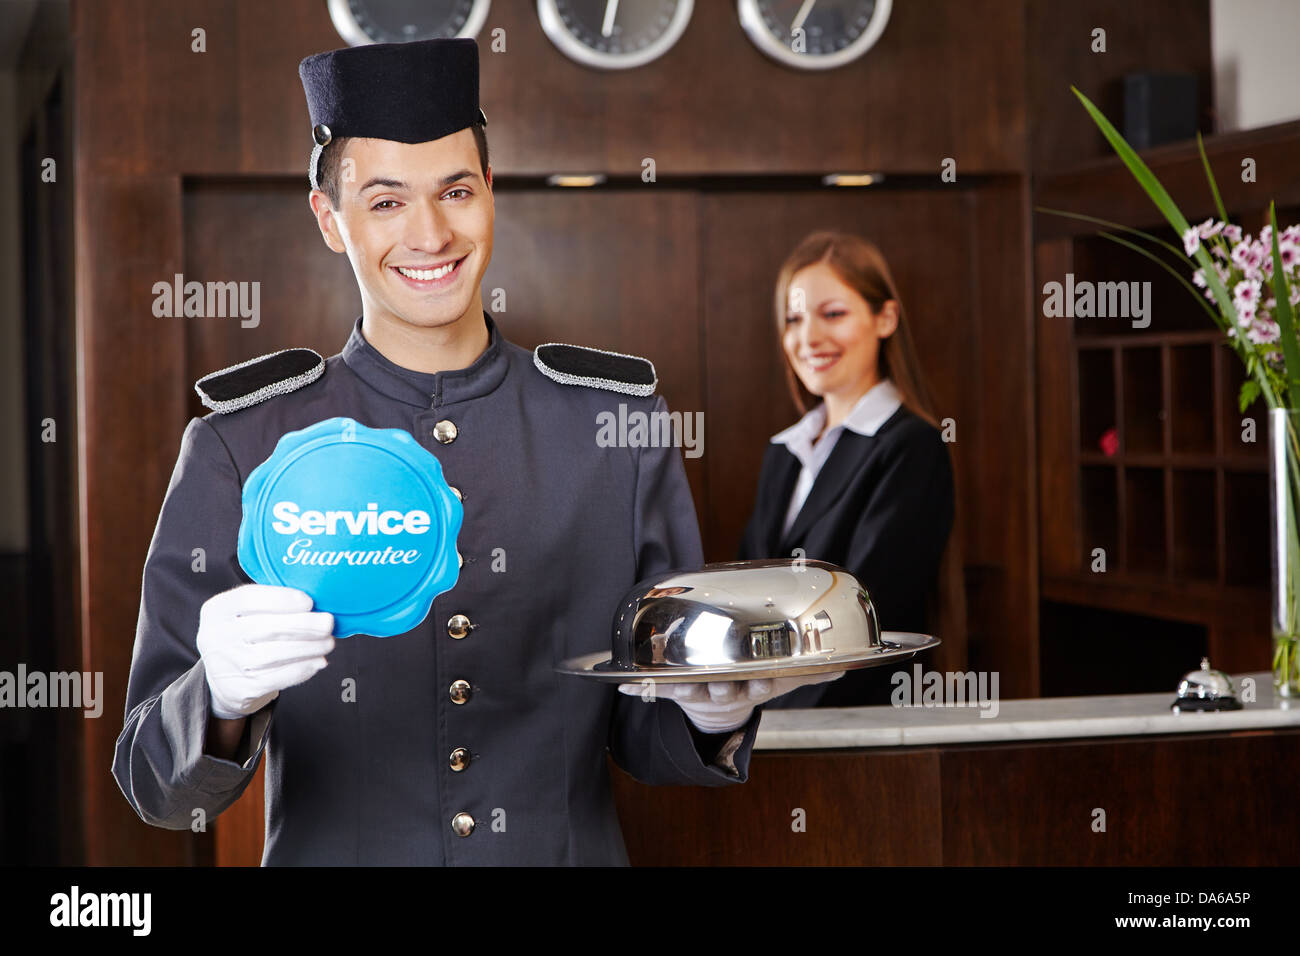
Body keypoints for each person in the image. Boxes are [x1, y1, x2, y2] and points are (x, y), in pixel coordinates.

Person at [110, 37, 831, 866]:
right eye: (384, 202)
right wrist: (218, 700)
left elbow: (647, 735)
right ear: (329, 220)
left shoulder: (615, 429)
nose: (430, 233)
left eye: (455, 190)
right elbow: (155, 785)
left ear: (490, 194)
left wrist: (713, 711)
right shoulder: (240, 442)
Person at [736, 231, 959, 709]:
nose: (809, 337)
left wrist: (769, 719)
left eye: (832, 314)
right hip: (769, 725)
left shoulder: (912, 447)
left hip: (850, 725)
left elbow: (866, 620)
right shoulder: (785, 450)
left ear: (885, 318)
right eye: (794, 319)